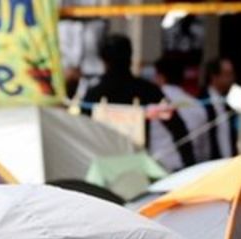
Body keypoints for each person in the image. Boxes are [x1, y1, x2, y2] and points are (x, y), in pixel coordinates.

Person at [83, 34, 195, 166]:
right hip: (136, 165)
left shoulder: (94, 93)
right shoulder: (147, 90)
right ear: (131, 58)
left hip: (101, 163)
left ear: (103, 60)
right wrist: (189, 163)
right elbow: (178, 128)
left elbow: (82, 131)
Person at [150, 56, 203, 170]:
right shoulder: (197, 106)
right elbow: (204, 147)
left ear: (160, 76)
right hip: (191, 170)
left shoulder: (153, 105)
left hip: (159, 168)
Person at [200, 57, 238, 159]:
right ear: (214, 77)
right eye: (227, 74)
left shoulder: (230, 102)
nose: (232, 78)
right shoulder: (201, 102)